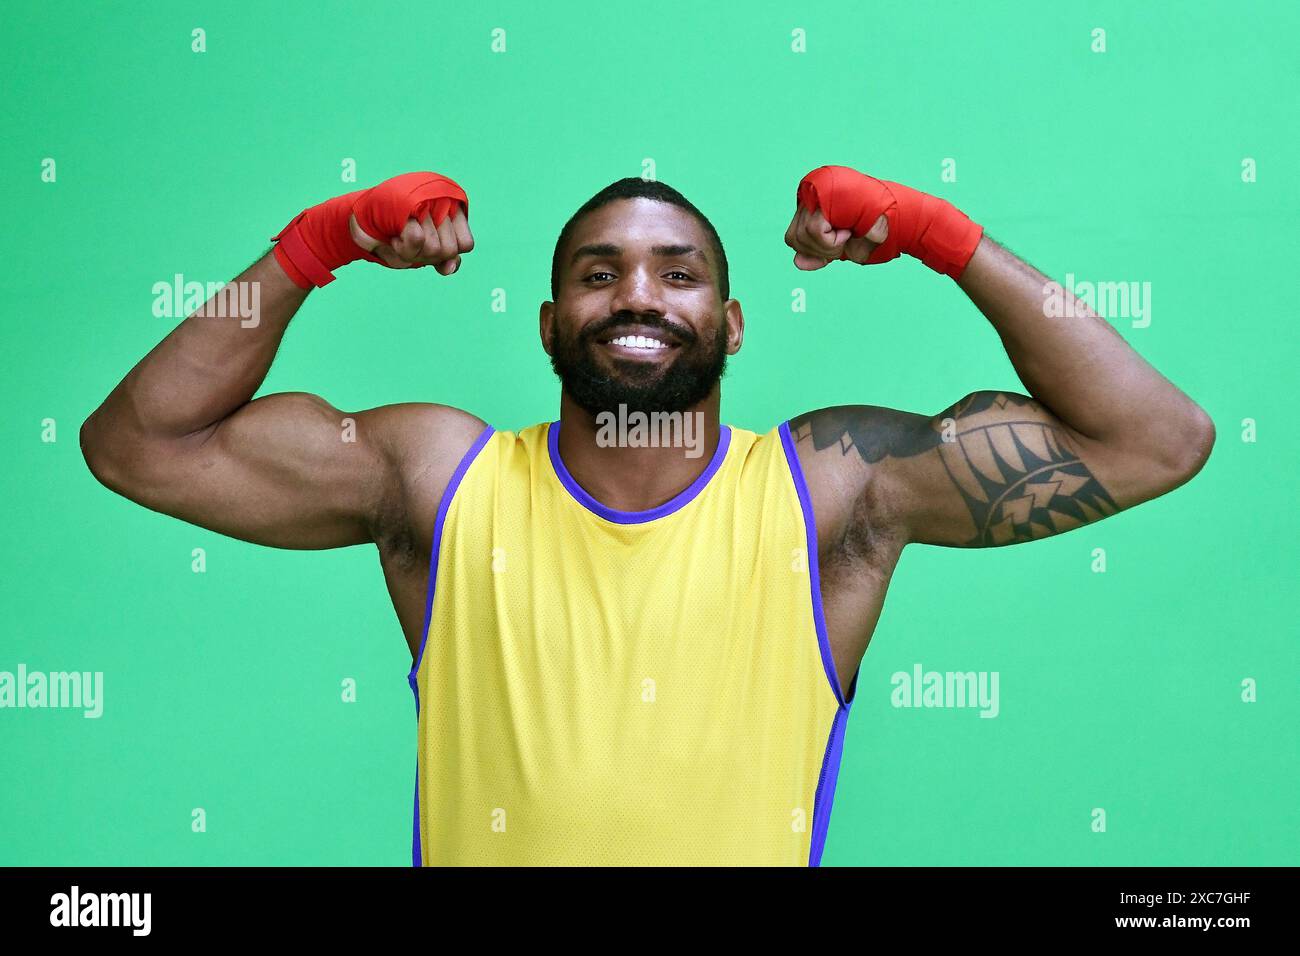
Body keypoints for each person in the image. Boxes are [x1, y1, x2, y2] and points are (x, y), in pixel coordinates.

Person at [80, 167, 1215, 866]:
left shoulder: (827, 490)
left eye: (677, 275)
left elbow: (1155, 438)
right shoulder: (436, 475)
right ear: (544, 322)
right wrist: (313, 246)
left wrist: (939, 234)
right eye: (598, 271)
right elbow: (138, 443)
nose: (635, 294)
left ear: (730, 326)